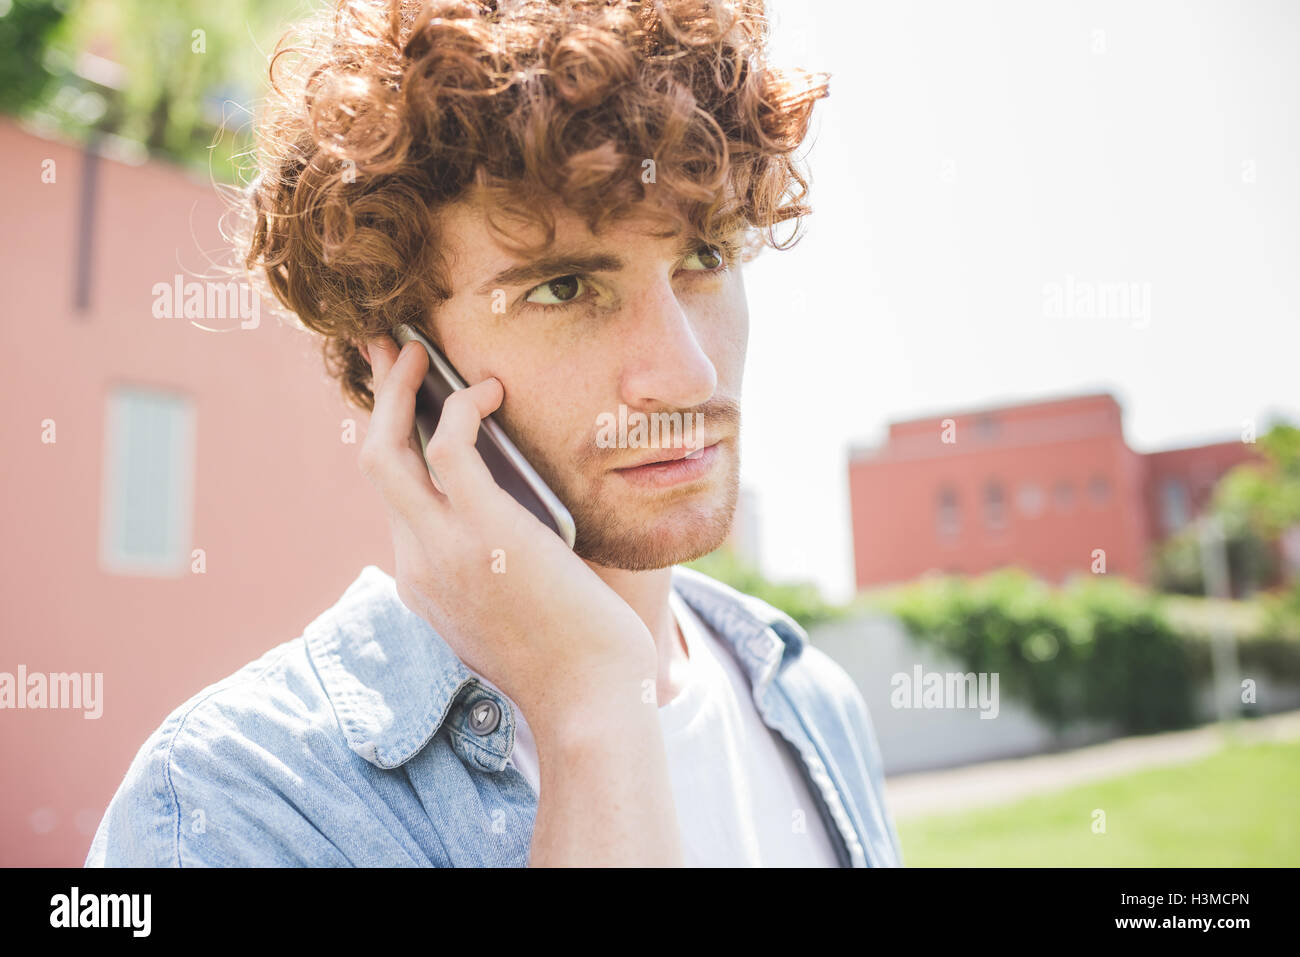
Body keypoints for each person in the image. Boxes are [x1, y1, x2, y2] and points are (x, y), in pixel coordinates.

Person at [85, 0, 903, 867]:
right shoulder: (231, 804)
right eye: (564, 288)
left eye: (702, 258)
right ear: (405, 363)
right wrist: (592, 711)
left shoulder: (808, 699)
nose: (688, 373)